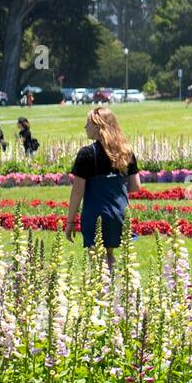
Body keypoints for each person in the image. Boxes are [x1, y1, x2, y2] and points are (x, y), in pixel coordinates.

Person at [64, 107, 141, 271]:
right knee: (109, 255)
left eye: (88, 123)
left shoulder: (87, 154)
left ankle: (104, 293)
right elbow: (136, 186)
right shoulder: (125, 151)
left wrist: (70, 221)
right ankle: (114, 289)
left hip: (95, 214)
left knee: (97, 261)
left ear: (99, 127)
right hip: (119, 213)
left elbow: (77, 191)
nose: (85, 127)